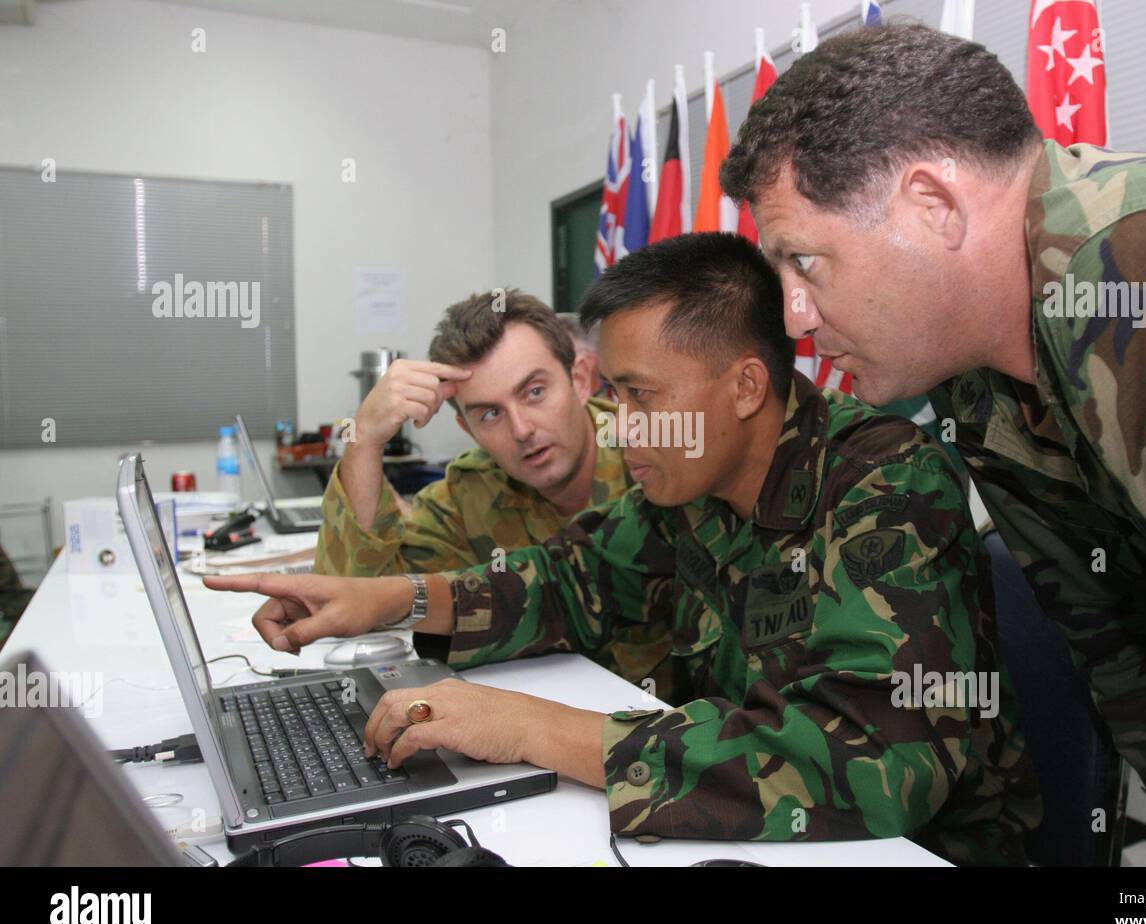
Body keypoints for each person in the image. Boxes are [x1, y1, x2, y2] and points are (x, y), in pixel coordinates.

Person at [208, 233, 1040, 864]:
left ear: (746, 386)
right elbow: (569, 582)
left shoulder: (887, 485)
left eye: (642, 397)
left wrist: (533, 727)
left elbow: (878, 762)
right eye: (615, 394)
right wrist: (387, 601)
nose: (624, 428)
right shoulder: (688, 485)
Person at [720, 22, 1146, 831]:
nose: (793, 318)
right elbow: (1121, 646)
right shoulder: (976, 378)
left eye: (804, 262)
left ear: (932, 206)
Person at [313, 289, 678, 701]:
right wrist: (364, 440)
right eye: (490, 413)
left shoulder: (661, 458)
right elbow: (358, 605)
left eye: (535, 392)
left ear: (579, 380)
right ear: (468, 430)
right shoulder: (468, 497)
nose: (521, 429)